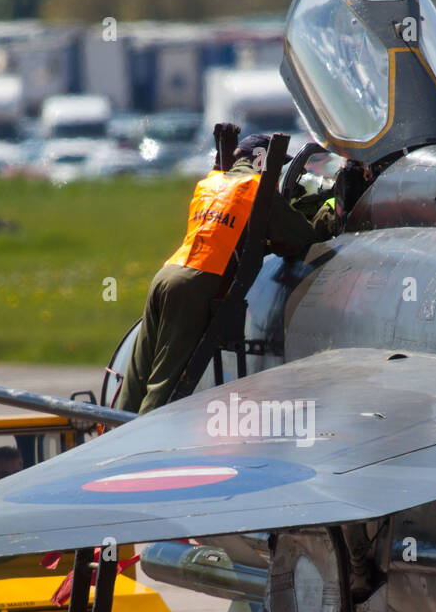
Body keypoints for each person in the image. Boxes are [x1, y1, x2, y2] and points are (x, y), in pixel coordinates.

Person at [114, 132, 316, 414]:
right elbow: (300, 237)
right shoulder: (257, 187)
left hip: (167, 273)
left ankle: (111, 430)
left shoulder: (210, 183)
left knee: (137, 374)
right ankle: (140, 445)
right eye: (278, 165)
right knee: (165, 382)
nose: (279, 172)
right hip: (195, 284)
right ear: (261, 160)